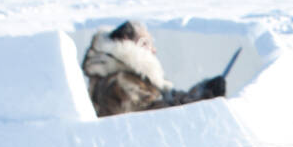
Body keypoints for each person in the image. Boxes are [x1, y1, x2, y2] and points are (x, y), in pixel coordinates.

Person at [81, 20, 227, 118]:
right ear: (127, 43)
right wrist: (201, 98)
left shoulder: (127, 77)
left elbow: (166, 100)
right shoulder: (118, 84)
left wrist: (203, 92)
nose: (153, 50)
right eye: (146, 43)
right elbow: (156, 117)